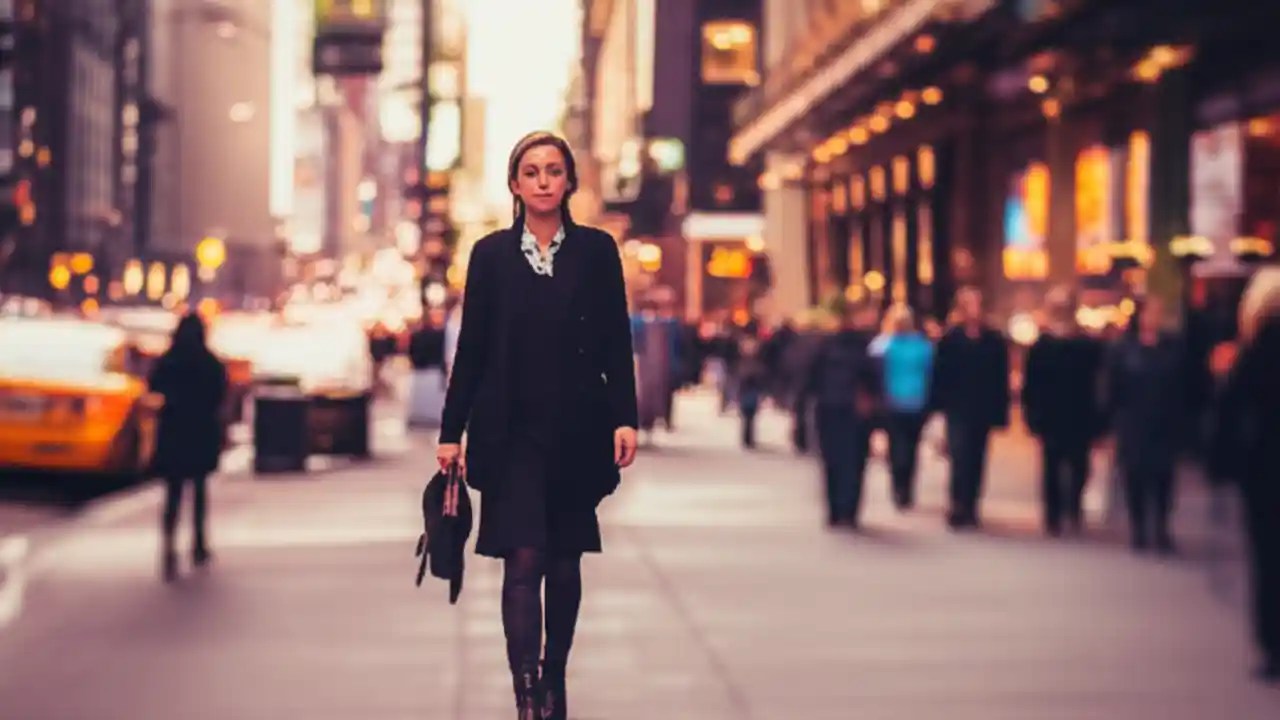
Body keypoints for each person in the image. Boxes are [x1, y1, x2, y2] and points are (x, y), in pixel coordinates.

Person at [435, 131, 639, 720]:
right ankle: (528, 694)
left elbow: (614, 342)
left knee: (564, 561)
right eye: (532, 171)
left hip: (578, 431)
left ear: (570, 181)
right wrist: (452, 432)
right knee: (523, 559)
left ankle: (555, 674)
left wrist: (625, 417)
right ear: (516, 184)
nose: (544, 180)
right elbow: (471, 349)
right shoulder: (491, 256)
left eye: (554, 170)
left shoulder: (598, 251)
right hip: (509, 433)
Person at [1209, 268, 1280, 682]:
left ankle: (1273, 644)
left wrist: (1221, 465)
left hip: (1265, 471)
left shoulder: (1253, 353)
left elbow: (1230, 413)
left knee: (1268, 559)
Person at [147, 312, 229, 583]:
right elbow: (220, 395)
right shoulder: (210, 362)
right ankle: (198, 544)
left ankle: (168, 547)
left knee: (173, 493)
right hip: (200, 432)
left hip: (173, 431)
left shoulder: (169, 360)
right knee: (199, 492)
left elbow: (154, 385)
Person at [1105, 296, 1187, 554]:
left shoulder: (1171, 348)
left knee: (1163, 477)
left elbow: (1182, 385)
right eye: (1150, 312)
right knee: (1135, 476)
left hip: (1164, 422)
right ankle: (1139, 527)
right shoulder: (1124, 349)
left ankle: (1161, 528)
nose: (1154, 318)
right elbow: (1113, 387)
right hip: (1133, 422)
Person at [1021, 287, 1105, 536]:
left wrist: (1100, 417)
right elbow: (1031, 383)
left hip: (1080, 413)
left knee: (1079, 465)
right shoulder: (1041, 346)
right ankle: (1053, 514)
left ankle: (1073, 505)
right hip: (1050, 415)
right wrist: (1031, 414)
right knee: (1051, 465)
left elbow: (1097, 382)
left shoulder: (1087, 345)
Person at [930, 288, 1010, 529]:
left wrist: (1001, 412)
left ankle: (972, 504)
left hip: (982, 406)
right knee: (959, 454)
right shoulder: (950, 338)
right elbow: (940, 374)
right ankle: (957, 504)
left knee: (977, 456)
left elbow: (1000, 377)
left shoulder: (993, 339)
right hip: (957, 407)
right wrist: (937, 407)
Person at [803, 303, 881, 528]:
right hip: (852, 410)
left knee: (832, 461)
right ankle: (848, 509)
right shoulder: (864, 346)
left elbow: (810, 377)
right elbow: (873, 380)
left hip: (830, 407)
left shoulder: (824, 346)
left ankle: (836, 509)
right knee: (854, 460)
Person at [879, 305, 934, 510]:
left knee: (896, 445)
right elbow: (930, 373)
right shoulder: (923, 346)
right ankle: (908, 488)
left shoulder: (884, 345)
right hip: (917, 402)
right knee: (912, 446)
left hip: (892, 402)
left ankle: (898, 486)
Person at [736, 333, 767, 449]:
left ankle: (748, 438)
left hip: (751, 391)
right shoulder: (746, 363)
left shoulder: (755, 363)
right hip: (747, 391)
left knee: (750, 415)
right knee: (747, 415)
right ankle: (747, 438)